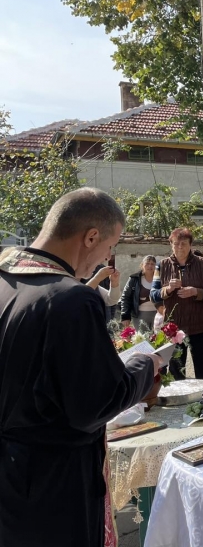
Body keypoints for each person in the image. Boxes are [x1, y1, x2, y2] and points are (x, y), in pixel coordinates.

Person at [0, 187, 162, 547]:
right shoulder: (71, 298)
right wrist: (145, 363)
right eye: (109, 248)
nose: (106, 259)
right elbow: (96, 404)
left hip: (11, 481)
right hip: (55, 487)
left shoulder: (7, 282)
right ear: (90, 237)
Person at [150, 227, 203, 383]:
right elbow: (153, 295)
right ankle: (179, 404)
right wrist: (168, 289)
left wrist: (196, 291)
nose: (180, 247)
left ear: (190, 245)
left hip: (199, 325)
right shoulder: (162, 265)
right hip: (174, 328)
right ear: (171, 245)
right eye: (176, 243)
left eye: (184, 243)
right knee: (175, 370)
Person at [120, 255, 158, 331]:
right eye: (147, 263)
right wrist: (125, 316)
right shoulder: (134, 279)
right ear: (142, 265)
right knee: (142, 340)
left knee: (159, 340)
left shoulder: (160, 279)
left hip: (158, 315)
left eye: (152, 264)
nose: (150, 266)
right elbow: (125, 297)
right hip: (140, 315)